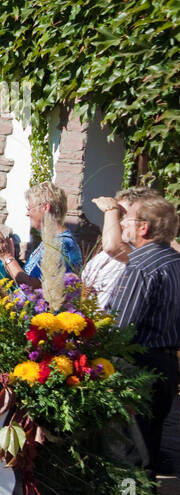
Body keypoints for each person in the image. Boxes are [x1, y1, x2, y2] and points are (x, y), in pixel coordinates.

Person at [107, 195, 180, 476]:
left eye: (129, 219)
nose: (123, 223)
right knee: (149, 443)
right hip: (167, 365)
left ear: (144, 228)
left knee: (129, 452)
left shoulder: (142, 265)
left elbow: (120, 329)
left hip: (138, 367)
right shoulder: (175, 262)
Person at [0, 181, 82, 287]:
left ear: (45, 207)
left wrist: (7, 257)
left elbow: (34, 286)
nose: (27, 213)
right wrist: (8, 260)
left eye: (29, 208)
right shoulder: (52, 241)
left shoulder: (61, 244)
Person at [83, 188, 161, 306]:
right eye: (117, 214)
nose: (117, 220)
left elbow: (113, 247)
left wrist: (111, 209)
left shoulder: (149, 252)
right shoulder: (104, 255)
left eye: (122, 214)